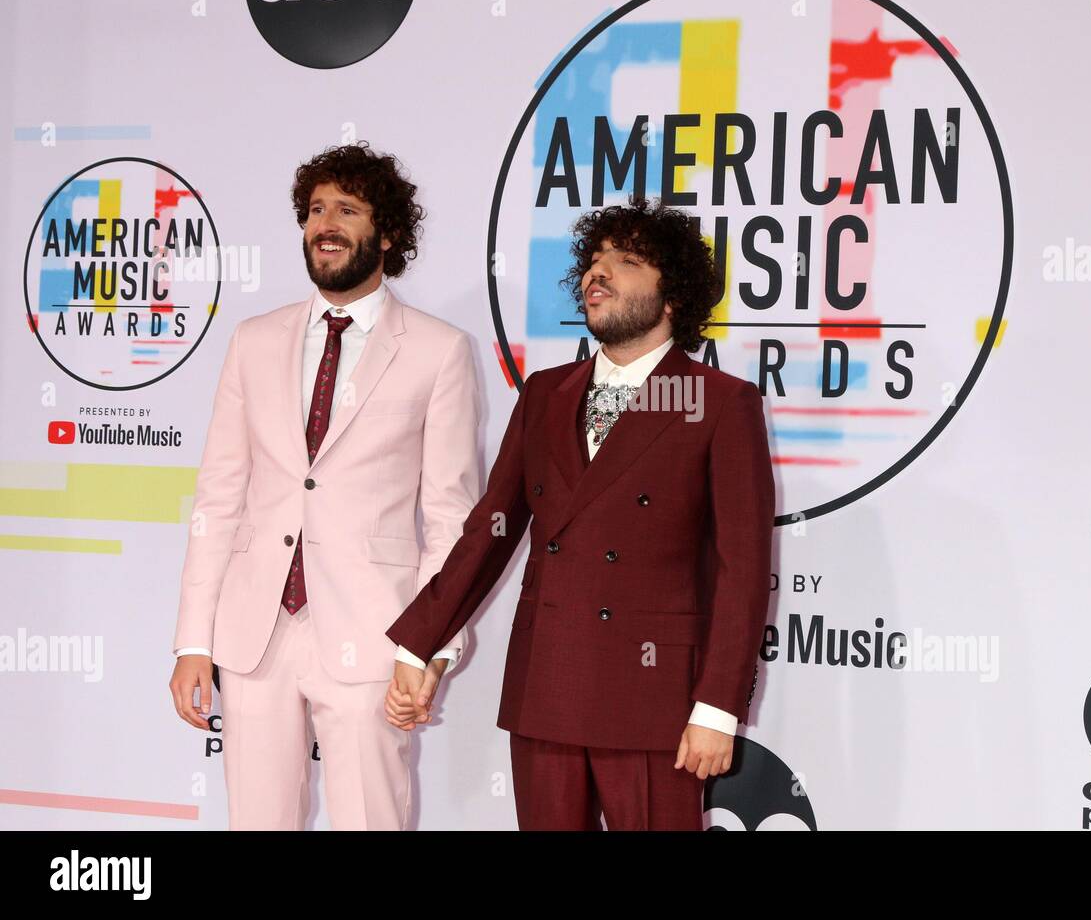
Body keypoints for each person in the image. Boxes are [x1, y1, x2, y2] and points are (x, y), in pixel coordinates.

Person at [386, 196, 775, 830]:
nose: (599, 273)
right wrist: (419, 642)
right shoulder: (543, 392)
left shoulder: (720, 403)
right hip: (548, 681)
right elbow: (492, 529)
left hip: (656, 697)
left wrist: (717, 707)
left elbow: (742, 567)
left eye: (625, 261)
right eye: (594, 260)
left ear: (672, 295)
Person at [169, 142, 479, 829]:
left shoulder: (439, 350)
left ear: (388, 233)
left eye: (347, 208)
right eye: (314, 210)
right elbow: (219, 497)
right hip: (255, 637)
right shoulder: (253, 340)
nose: (325, 224)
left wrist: (428, 647)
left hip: (376, 635)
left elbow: (452, 518)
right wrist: (194, 641)